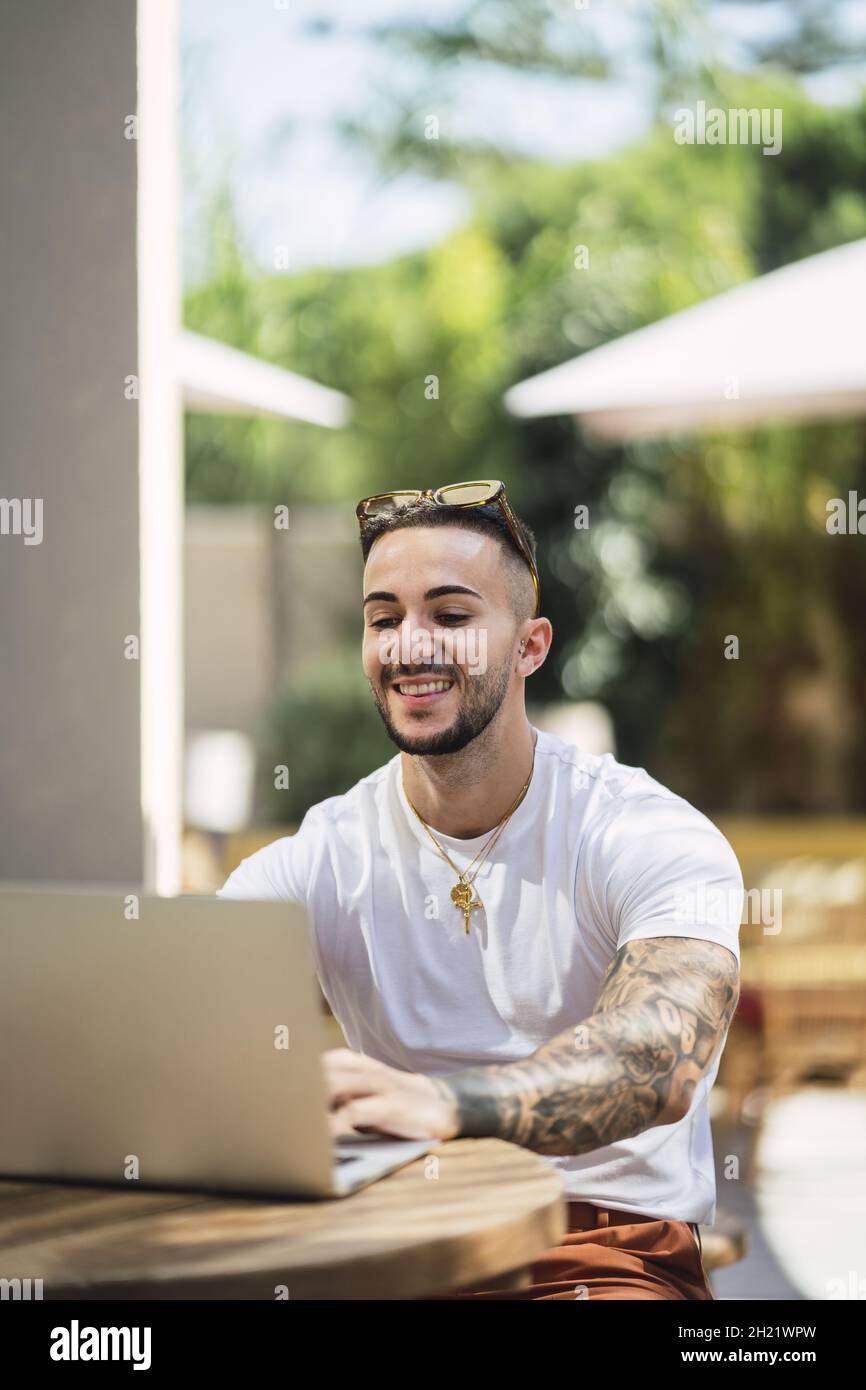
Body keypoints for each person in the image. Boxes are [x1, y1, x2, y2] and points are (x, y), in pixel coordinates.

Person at [219, 481, 743, 1300]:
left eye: (451, 617)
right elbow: (184, 1023)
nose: (409, 645)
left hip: (593, 1246)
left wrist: (442, 1105)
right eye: (384, 618)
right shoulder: (326, 851)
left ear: (530, 646)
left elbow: (658, 1059)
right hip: (392, 1237)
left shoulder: (641, 831)